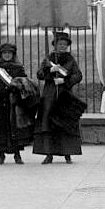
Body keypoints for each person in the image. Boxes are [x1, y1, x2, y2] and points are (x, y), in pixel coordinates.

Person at [33, 32, 84, 164]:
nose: (62, 46)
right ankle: (48, 154)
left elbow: (78, 75)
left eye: (65, 44)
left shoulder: (70, 60)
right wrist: (49, 71)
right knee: (48, 124)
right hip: (49, 95)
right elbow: (39, 74)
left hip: (64, 95)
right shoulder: (48, 59)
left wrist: (65, 81)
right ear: (54, 45)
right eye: (60, 44)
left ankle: (67, 153)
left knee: (65, 123)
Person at [0, 43, 33, 165]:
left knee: (15, 129)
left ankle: (17, 154)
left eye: (9, 53)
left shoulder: (18, 67)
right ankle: (1, 155)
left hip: (14, 101)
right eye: (4, 53)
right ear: (1, 55)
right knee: (0, 129)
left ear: (13, 54)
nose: (7, 55)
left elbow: (25, 83)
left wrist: (19, 84)